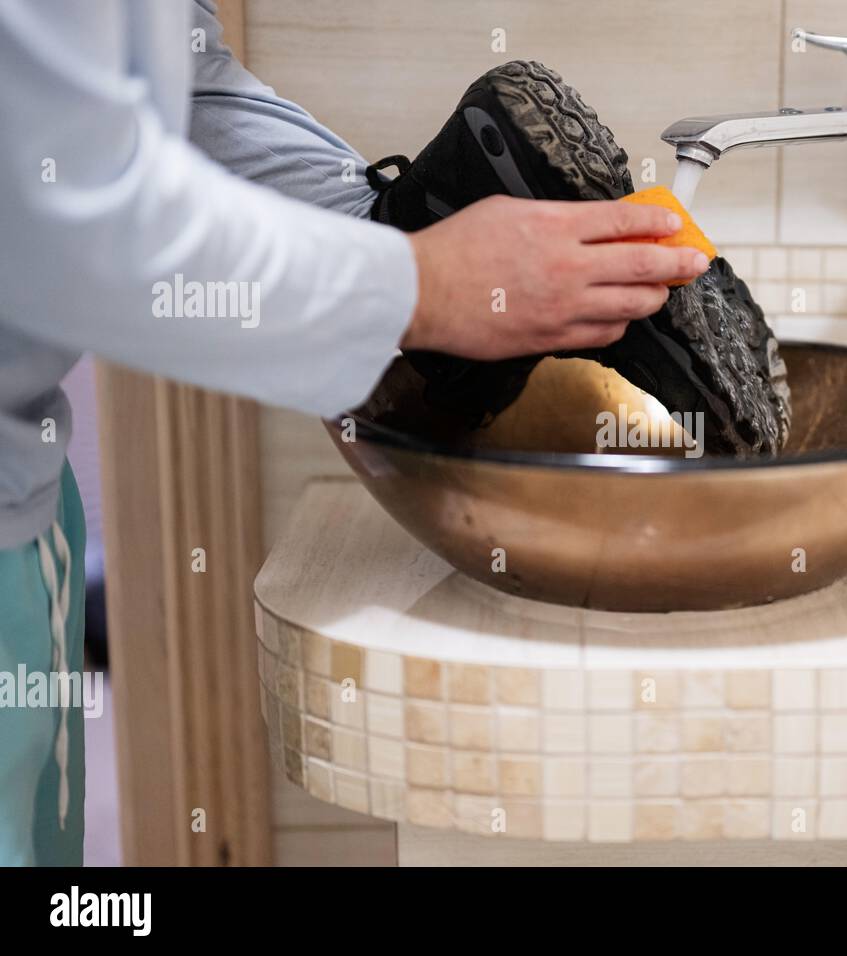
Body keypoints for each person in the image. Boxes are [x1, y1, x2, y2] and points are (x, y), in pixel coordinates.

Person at [0, 0, 708, 866]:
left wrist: (374, 227)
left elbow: (177, 91)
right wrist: (420, 285)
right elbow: (59, 218)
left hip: (26, 507)